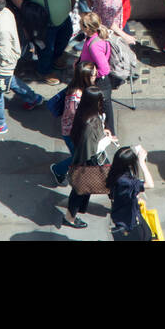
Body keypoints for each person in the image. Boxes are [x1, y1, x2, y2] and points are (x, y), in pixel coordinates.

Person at [11, 0, 84, 86]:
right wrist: (30, 12)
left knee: (64, 38)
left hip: (63, 19)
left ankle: (55, 59)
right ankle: (44, 71)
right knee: (46, 50)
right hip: (45, 24)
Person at [0, 0, 43, 135]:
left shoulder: (2, 29)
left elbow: (3, 55)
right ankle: (33, 98)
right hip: (8, 58)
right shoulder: (5, 11)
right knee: (10, 80)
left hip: (3, 63)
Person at [62, 87, 115, 229]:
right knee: (82, 187)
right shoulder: (90, 124)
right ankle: (69, 218)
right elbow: (93, 149)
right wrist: (107, 140)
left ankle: (71, 216)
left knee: (82, 187)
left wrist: (103, 131)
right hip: (93, 160)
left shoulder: (85, 113)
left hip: (90, 159)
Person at [50, 60, 98, 186]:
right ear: (85, 77)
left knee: (80, 156)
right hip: (73, 133)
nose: (96, 75)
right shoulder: (76, 96)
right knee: (80, 157)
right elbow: (77, 118)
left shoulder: (81, 88)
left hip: (76, 132)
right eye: (93, 74)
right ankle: (58, 170)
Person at [77, 11, 116, 134]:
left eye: (81, 25)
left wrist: (92, 76)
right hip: (94, 79)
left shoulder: (94, 45)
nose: (80, 26)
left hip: (98, 82)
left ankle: (109, 132)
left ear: (87, 28)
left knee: (104, 107)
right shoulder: (93, 37)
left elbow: (104, 69)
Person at [108, 145, 156, 240]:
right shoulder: (126, 182)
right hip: (128, 220)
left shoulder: (116, 172)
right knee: (146, 236)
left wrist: (135, 197)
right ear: (130, 164)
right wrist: (142, 162)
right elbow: (150, 184)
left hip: (121, 214)